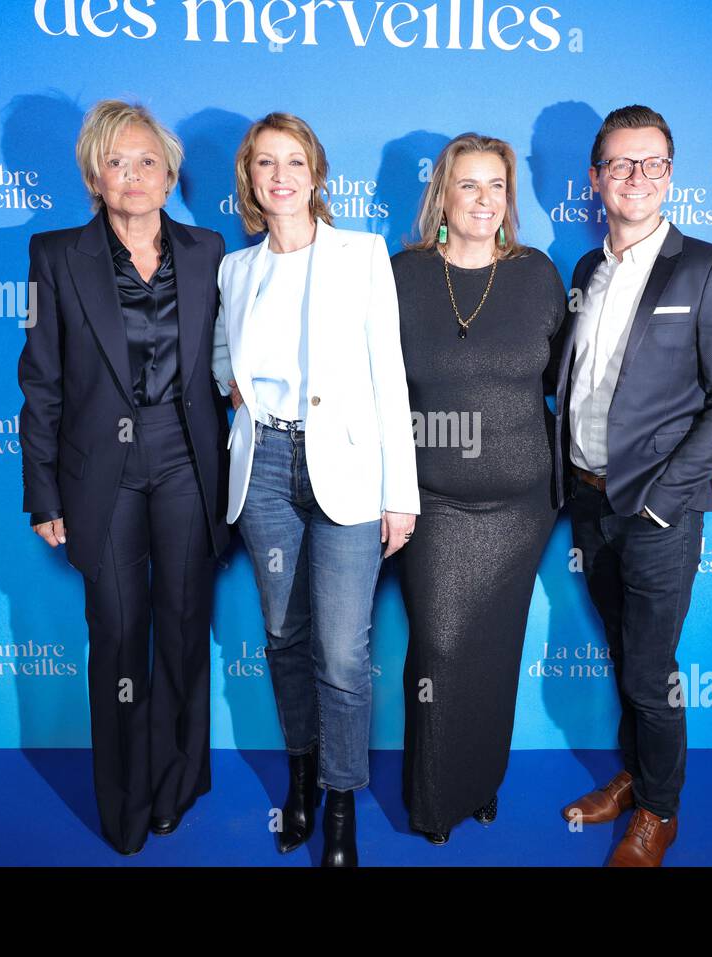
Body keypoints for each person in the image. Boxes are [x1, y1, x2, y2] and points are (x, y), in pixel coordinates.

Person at [18, 99, 230, 856]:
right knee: (116, 634)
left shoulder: (209, 251)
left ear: (170, 174)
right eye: (117, 162)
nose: (133, 175)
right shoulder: (55, 256)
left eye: (147, 161)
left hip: (188, 462)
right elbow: (41, 381)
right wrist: (41, 491)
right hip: (99, 470)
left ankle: (177, 780)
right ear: (93, 177)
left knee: (181, 626)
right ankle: (126, 799)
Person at [212, 112, 418, 867]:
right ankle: (298, 776)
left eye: (294, 161)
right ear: (251, 180)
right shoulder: (235, 269)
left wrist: (402, 492)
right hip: (264, 465)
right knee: (283, 637)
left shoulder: (363, 256)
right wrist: (239, 397)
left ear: (316, 172)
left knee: (340, 650)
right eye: (266, 164)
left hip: (350, 473)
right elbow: (220, 357)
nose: (281, 176)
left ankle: (338, 807)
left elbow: (390, 379)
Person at [552, 105, 712, 866]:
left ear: (670, 174)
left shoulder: (708, 266)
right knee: (621, 654)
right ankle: (635, 776)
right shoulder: (584, 270)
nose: (636, 177)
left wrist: (665, 502)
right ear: (596, 178)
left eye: (653, 163)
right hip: (588, 497)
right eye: (620, 164)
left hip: (657, 512)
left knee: (649, 670)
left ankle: (660, 813)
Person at [391, 134, 565, 845]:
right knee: (438, 648)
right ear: (443, 193)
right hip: (432, 501)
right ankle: (434, 801)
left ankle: (481, 782)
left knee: (494, 650)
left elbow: (568, 386)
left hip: (522, 506)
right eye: (469, 184)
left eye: (497, 185)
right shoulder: (400, 275)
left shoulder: (538, 276)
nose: (484, 199)